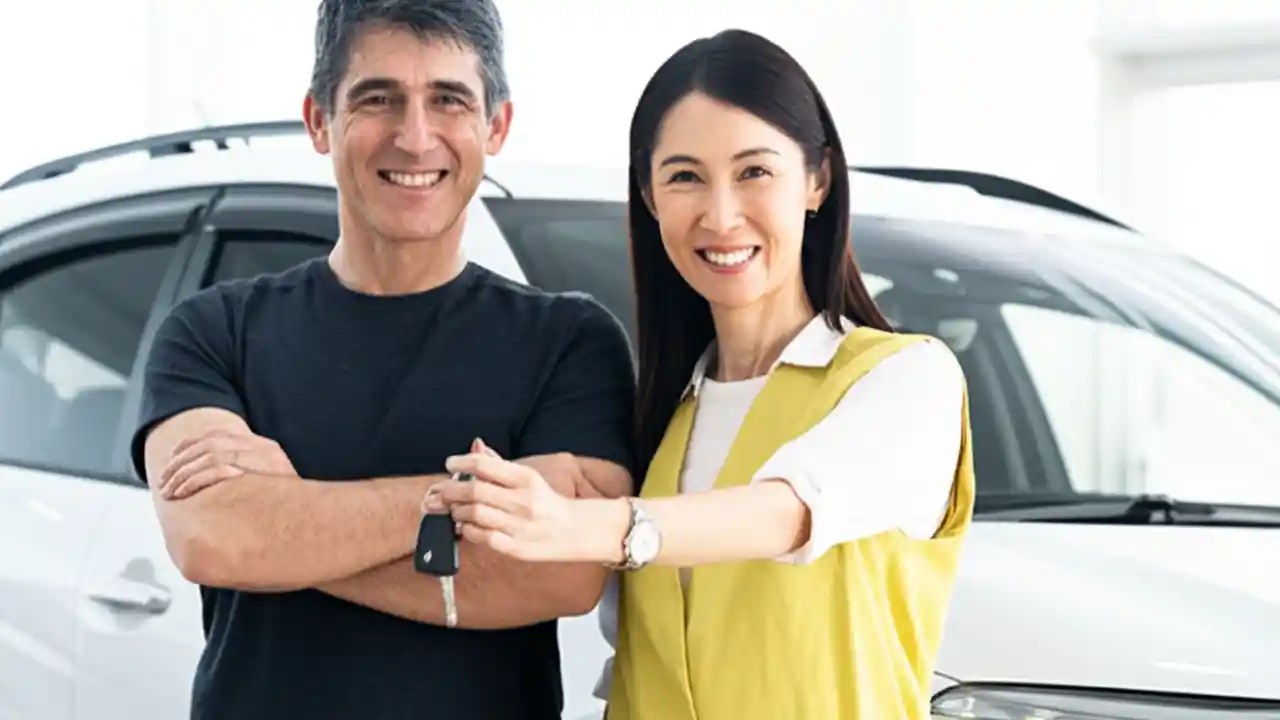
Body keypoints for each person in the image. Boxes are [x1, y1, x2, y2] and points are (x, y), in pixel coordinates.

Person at [427, 29, 975, 719]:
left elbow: (789, 512)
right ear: (651, 197)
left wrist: (590, 525)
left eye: (754, 172)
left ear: (817, 180)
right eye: (685, 176)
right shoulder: (663, 417)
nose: (720, 215)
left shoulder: (905, 382)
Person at [130, 1, 634, 718]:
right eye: (378, 98)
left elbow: (564, 574)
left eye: (448, 100)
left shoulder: (572, 341)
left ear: (496, 126)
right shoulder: (214, 330)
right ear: (319, 121)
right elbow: (216, 538)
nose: (415, 135)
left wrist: (287, 522)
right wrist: (480, 508)